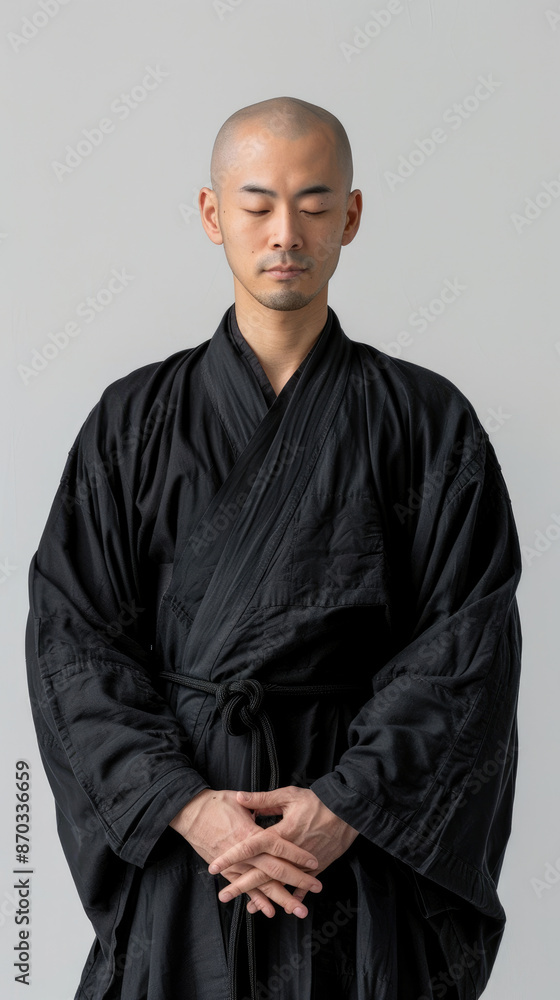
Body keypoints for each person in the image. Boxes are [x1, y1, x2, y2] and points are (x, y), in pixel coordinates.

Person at [26, 96, 522, 1000]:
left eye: (314, 203)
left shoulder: (425, 421)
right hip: (192, 852)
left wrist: (346, 805)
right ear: (214, 215)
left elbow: (468, 647)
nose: (285, 232)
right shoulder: (133, 422)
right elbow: (73, 641)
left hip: (357, 857)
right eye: (257, 205)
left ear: (353, 216)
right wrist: (183, 805)